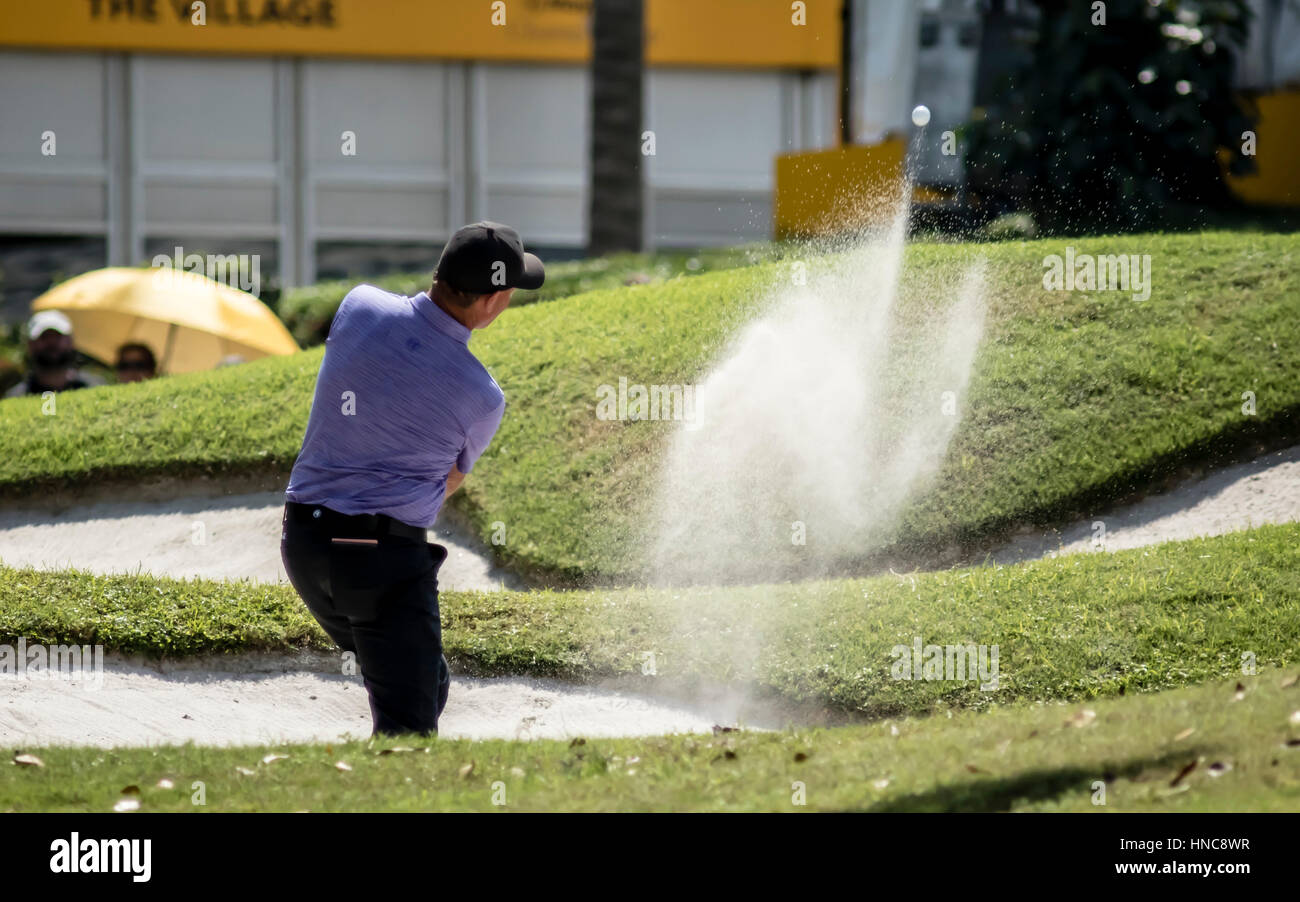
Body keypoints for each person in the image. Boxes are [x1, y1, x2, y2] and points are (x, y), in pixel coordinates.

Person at [280, 221, 543, 737]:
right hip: (382, 565)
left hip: (304, 548)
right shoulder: (484, 397)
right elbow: (448, 481)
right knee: (407, 734)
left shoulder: (358, 305)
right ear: (492, 303)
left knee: (425, 684)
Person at [4, 310, 105, 399]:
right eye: (44, 337)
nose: (51, 343)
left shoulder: (96, 387)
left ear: (70, 342)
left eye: (58, 337)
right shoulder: (17, 397)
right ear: (31, 345)